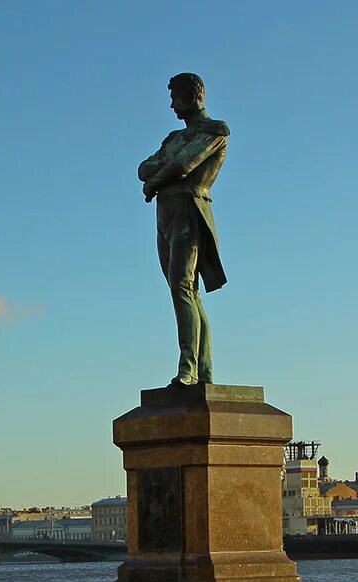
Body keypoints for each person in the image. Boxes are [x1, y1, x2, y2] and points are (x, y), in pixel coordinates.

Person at [138, 73, 230, 386]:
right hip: (166, 215)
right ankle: (201, 370)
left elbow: (183, 166)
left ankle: (190, 369)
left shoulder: (215, 130)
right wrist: (157, 174)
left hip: (191, 211)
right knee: (185, 291)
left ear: (192, 96)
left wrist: (155, 180)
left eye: (175, 97)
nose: (171, 105)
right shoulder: (173, 138)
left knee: (183, 286)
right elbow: (143, 167)